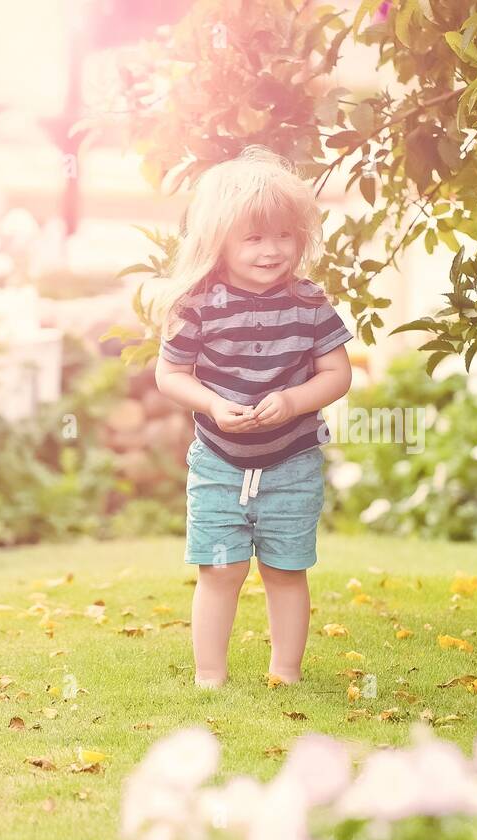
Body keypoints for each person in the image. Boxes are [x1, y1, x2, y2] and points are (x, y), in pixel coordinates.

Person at [150, 145, 353, 688]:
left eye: (284, 235)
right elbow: (170, 375)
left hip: (291, 462)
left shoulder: (310, 304)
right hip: (219, 462)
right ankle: (209, 675)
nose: (272, 250)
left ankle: (285, 671)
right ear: (219, 240)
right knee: (221, 570)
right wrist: (214, 403)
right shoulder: (197, 305)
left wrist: (293, 401)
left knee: (286, 570)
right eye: (254, 237)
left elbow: (338, 375)